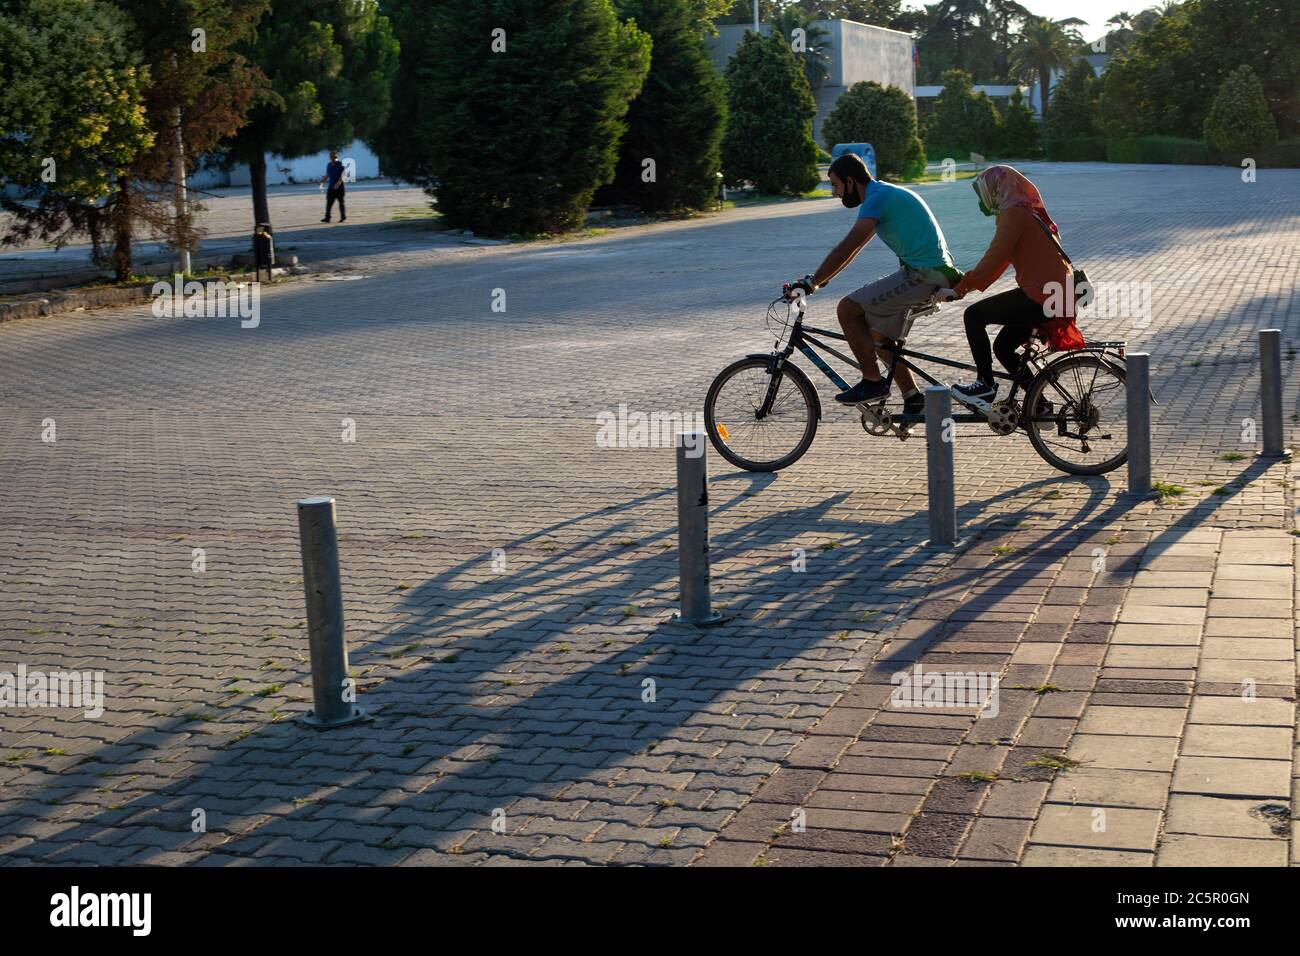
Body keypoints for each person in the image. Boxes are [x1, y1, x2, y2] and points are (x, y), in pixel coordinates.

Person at [786, 152, 962, 414]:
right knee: (879, 337)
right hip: (930, 272)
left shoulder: (876, 198)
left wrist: (811, 282)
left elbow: (845, 248)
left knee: (847, 309)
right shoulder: (881, 194)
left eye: (835, 185)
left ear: (850, 180)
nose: (835, 193)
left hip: (925, 274)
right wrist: (819, 283)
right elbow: (853, 251)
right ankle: (913, 398)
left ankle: (872, 382)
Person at [949, 165, 1072, 401]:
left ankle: (984, 384)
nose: (982, 201)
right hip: (1055, 295)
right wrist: (968, 283)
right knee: (1003, 347)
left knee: (973, 316)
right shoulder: (1027, 211)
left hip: (1043, 295)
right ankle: (1040, 404)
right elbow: (1000, 262)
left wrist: (960, 289)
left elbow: (994, 257)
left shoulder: (1015, 215)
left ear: (997, 191)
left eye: (984, 193)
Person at [320, 151, 347, 223]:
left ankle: (343, 217)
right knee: (329, 202)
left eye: (335, 156)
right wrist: (322, 181)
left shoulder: (341, 164)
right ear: (330, 157)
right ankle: (327, 218)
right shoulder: (329, 165)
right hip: (331, 187)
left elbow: (343, 175)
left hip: (340, 187)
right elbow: (328, 174)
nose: (333, 158)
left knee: (341, 202)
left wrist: (338, 183)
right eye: (332, 156)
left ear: (337, 157)